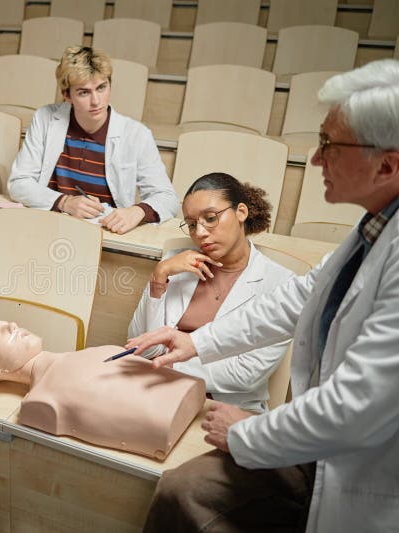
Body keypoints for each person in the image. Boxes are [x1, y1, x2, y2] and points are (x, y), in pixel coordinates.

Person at [127, 59, 399, 532]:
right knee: (181, 490)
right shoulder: (373, 227)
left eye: (330, 145)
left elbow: (356, 404)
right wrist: (195, 342)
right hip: (321, 442)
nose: (315, 159)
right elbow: (297, 299)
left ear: (387, 163)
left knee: (187, 490)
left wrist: (248, 434)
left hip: (363, 467)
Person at [128, 173, 294, 413]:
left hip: (224, 408)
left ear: (241, 212)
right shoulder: (174, 261)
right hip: (159, 393)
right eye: (192, 224)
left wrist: (165, 365)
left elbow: (246, 374)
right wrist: (160, 275)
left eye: (210, 218)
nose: (200, 233)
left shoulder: (280, 283)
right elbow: (141, 344)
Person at [0, 320, 206, 460]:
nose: (12, 325)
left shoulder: (95, 352)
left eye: (5, 323)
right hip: (170, 430)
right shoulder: (41, 402)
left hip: (191, 402)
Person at [7, 46, 179, 234]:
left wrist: (137, 211)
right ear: (66, 95)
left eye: (101, 88)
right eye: (84, 92)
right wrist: (65, 202)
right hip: (48, 225)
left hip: (105, 234)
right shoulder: (45, 118)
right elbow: (18, 183)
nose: (96, 101)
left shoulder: (137, 134)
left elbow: (168, 198)